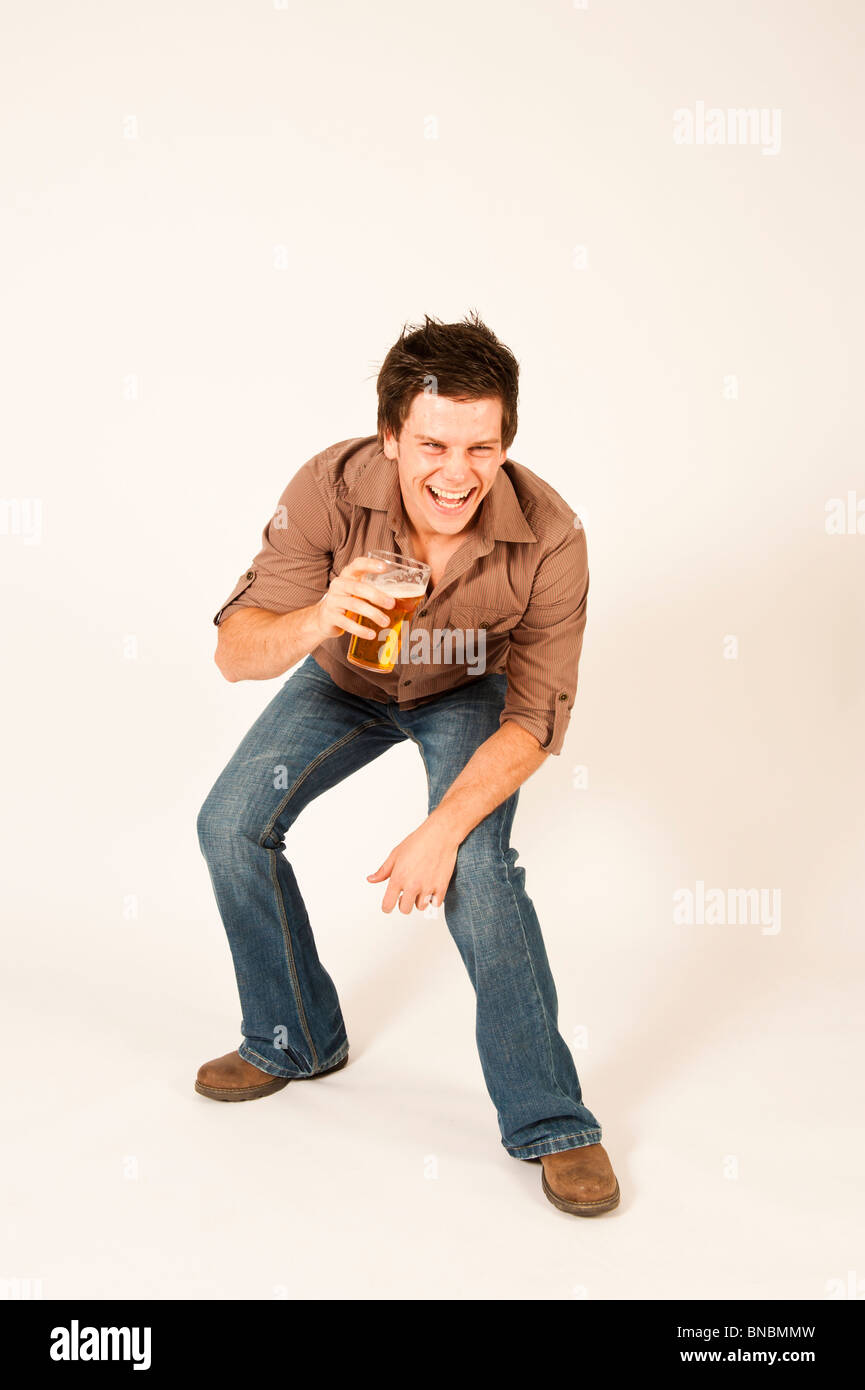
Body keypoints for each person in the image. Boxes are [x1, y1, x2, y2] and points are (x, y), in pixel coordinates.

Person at [196, 312, 619, 1217]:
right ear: (391, 436)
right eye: (432, 444)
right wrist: (318, 620)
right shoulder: (325, 485)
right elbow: (236, 652)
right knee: (229, 825)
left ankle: (552, 1120)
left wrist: (440, 829)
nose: (458, 473)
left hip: (468, 692)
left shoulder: (552, 535)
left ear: (504, 439)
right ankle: (293, 1038)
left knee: (478, 869)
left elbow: (537, 721)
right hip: (344, 676)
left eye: (482, 446)